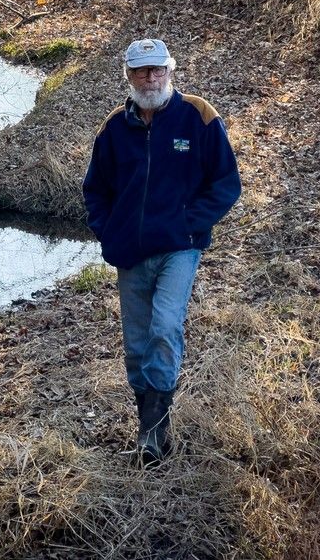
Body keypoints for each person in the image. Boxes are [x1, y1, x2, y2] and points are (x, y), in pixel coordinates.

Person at [82, 38, 241, 465]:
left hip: (179, 248)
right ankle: (148, 426)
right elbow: (95, 190)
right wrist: (107, 232)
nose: (150, 78)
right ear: (128, 76)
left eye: (157, 70)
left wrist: (187, 224)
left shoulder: (199, 117)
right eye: (141, 71)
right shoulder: (114, 128)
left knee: (165, 328)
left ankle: (153, 437)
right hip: (131, 252)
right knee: (136, 343)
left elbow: (226, 183)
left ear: (170, 71)